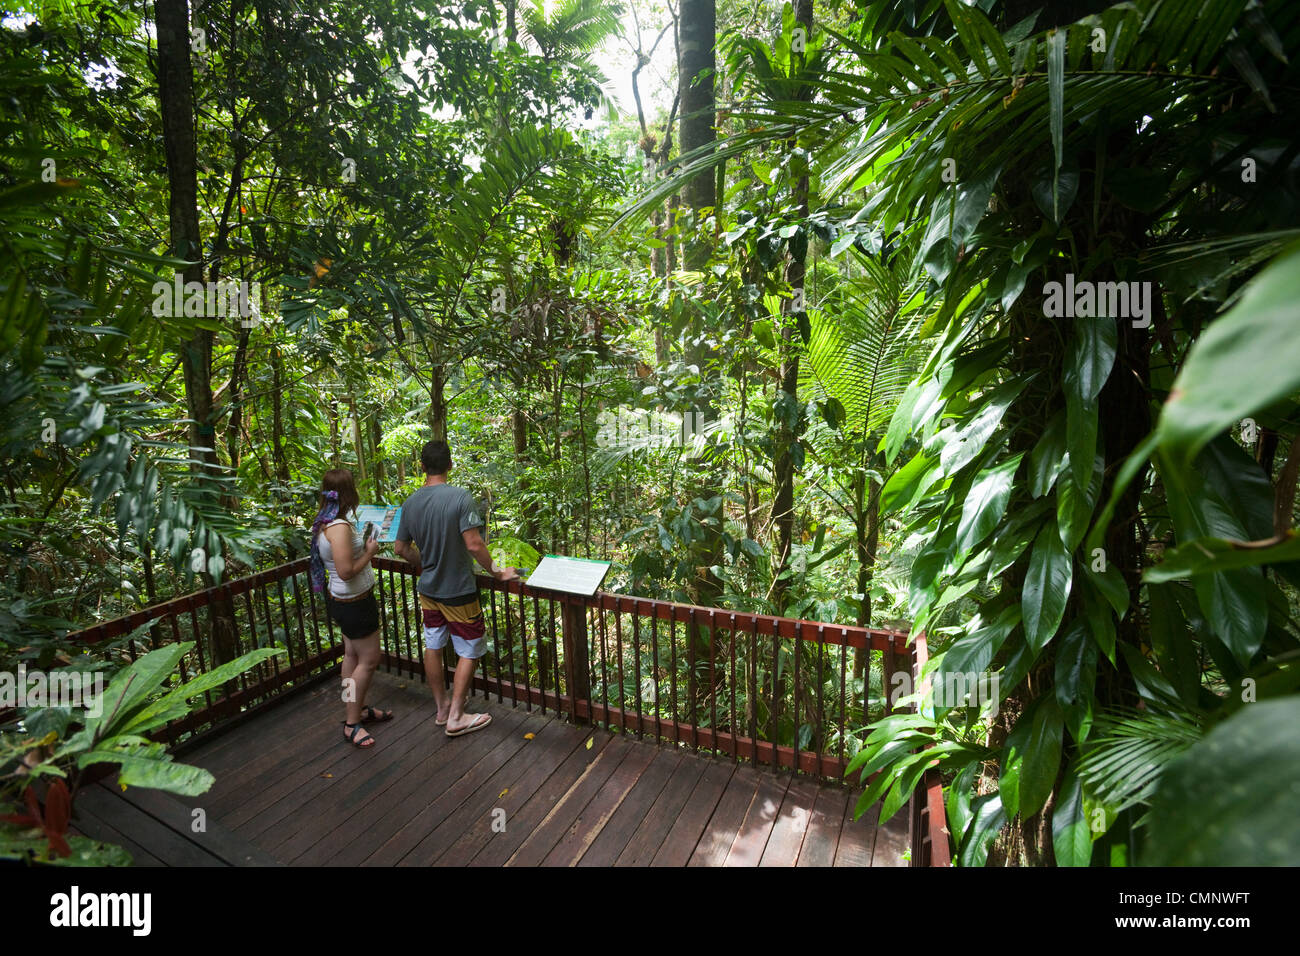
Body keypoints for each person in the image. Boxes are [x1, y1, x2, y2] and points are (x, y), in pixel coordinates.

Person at [393, 439, 517, 737]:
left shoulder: (410, 502)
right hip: (458, 590)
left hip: (429, 591)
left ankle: (441, 709)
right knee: (471, 648)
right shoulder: (460, 497)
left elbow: (400, 548)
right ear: (450, 465)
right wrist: (498, 573)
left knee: (433, 645)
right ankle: (457, 716)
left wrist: (423, 562)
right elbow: (474, 544)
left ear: (421, 467)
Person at [310, 468, 393, 748]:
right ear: (348, 493)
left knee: (351, 657)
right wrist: (369, 553)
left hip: (342, 601)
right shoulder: (339, 528)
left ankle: (357, 710)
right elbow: (346, 571)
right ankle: (351, 723)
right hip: (355, 602)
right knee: (369, 661)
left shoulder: (325, 522)